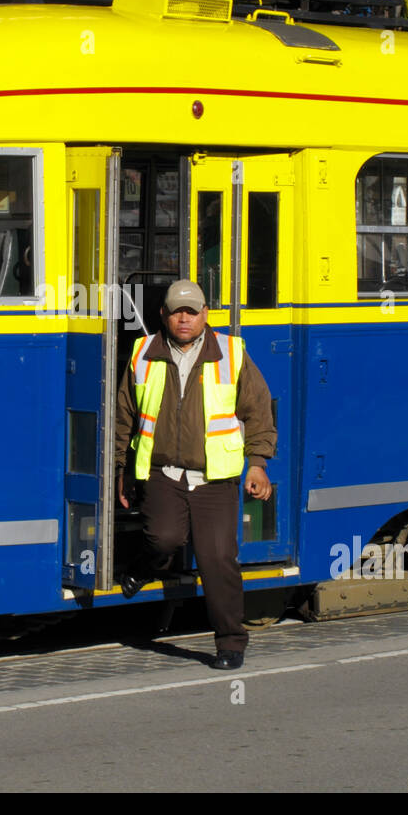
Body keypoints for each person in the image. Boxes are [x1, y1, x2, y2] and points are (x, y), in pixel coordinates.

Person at [113, 279, 277, 670]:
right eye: (176, 311)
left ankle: (231, 643)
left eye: (192, 311)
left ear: (205, 314)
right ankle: (142, 566)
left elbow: (258, 412)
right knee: (164, 539)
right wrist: (122, 469)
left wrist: (258, 463)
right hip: (161, 473)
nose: (184, 318)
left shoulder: (231, 353)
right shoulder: (142, 353)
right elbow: (124, 417)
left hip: (214, 479)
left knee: (218, 559)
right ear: (163, 315)